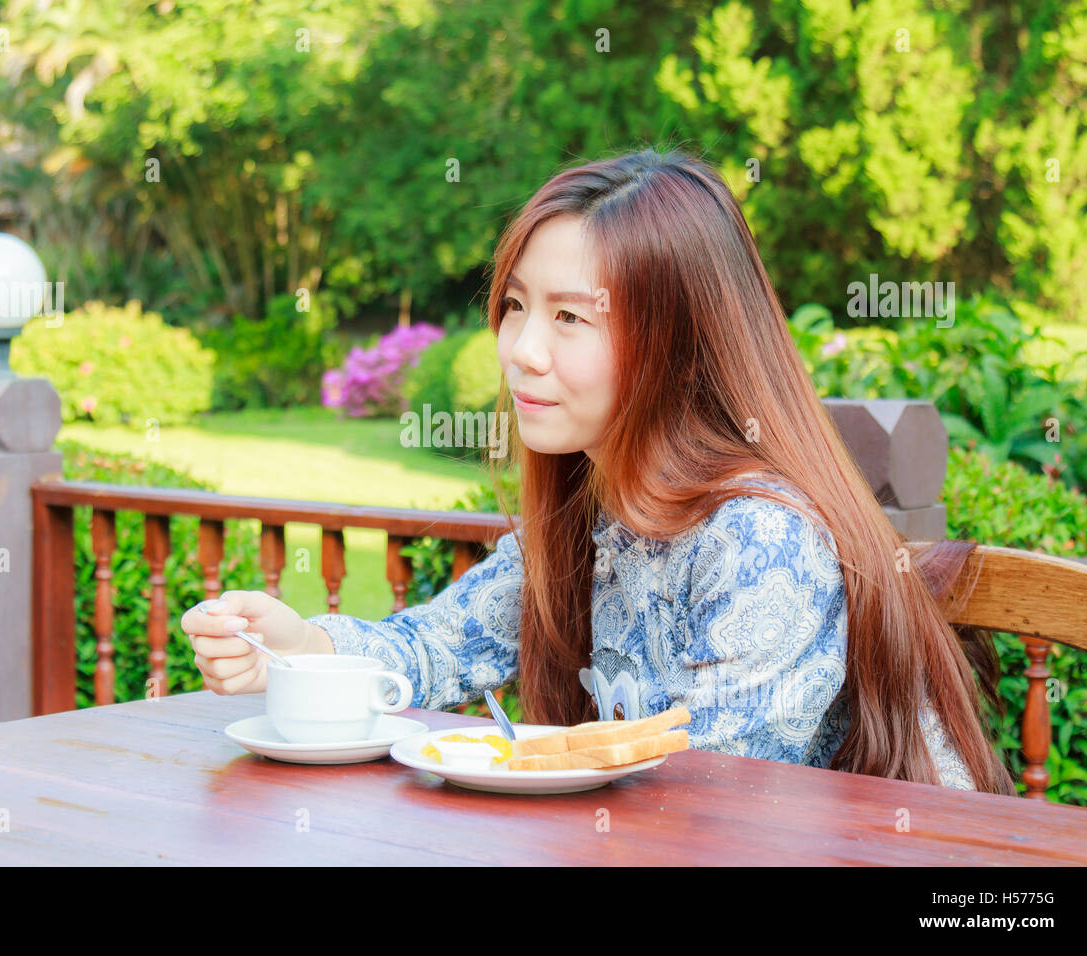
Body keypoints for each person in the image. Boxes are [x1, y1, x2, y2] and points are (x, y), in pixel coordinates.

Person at [180, 148, 1016, 794]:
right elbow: (438, 643)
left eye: (571, 317)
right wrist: (298, 646)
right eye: (515, 306)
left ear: (681, 341)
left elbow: (720, 799)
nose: (521, 352)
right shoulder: (597, 514)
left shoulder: (762, 539)